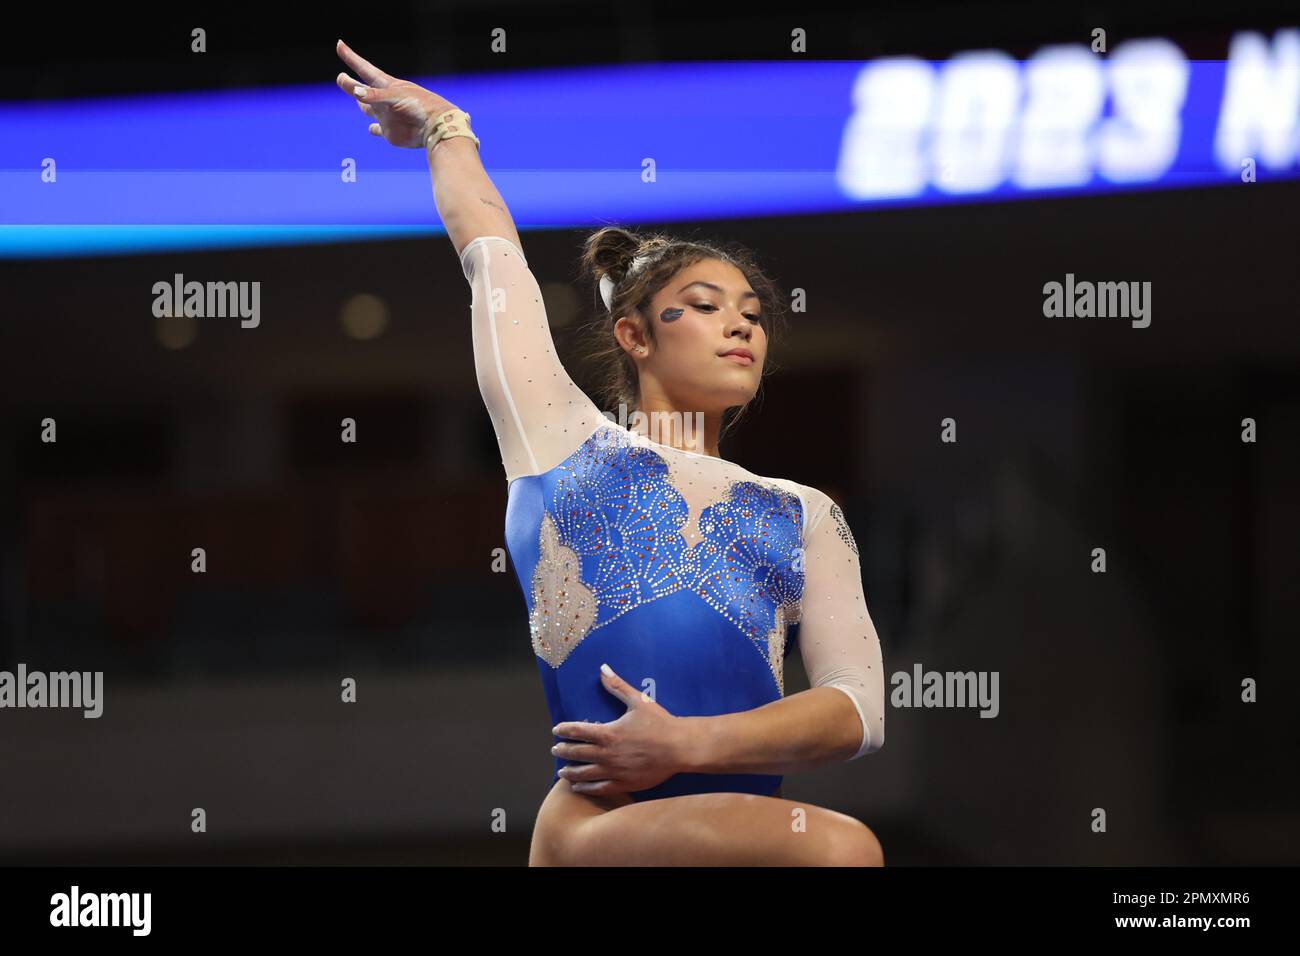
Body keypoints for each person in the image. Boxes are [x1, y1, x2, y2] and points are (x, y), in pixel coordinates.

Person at [335, 40, 886, 865]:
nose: (742, 325)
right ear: (633, 335)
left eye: (753, 313)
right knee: (841, 853)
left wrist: (688, 746)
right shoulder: (561, 436)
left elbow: (858, 713)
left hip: (730, 833)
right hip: (599, 824)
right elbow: (492, 258)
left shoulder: (804, 514)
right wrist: (447, 129)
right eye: (703, 306)